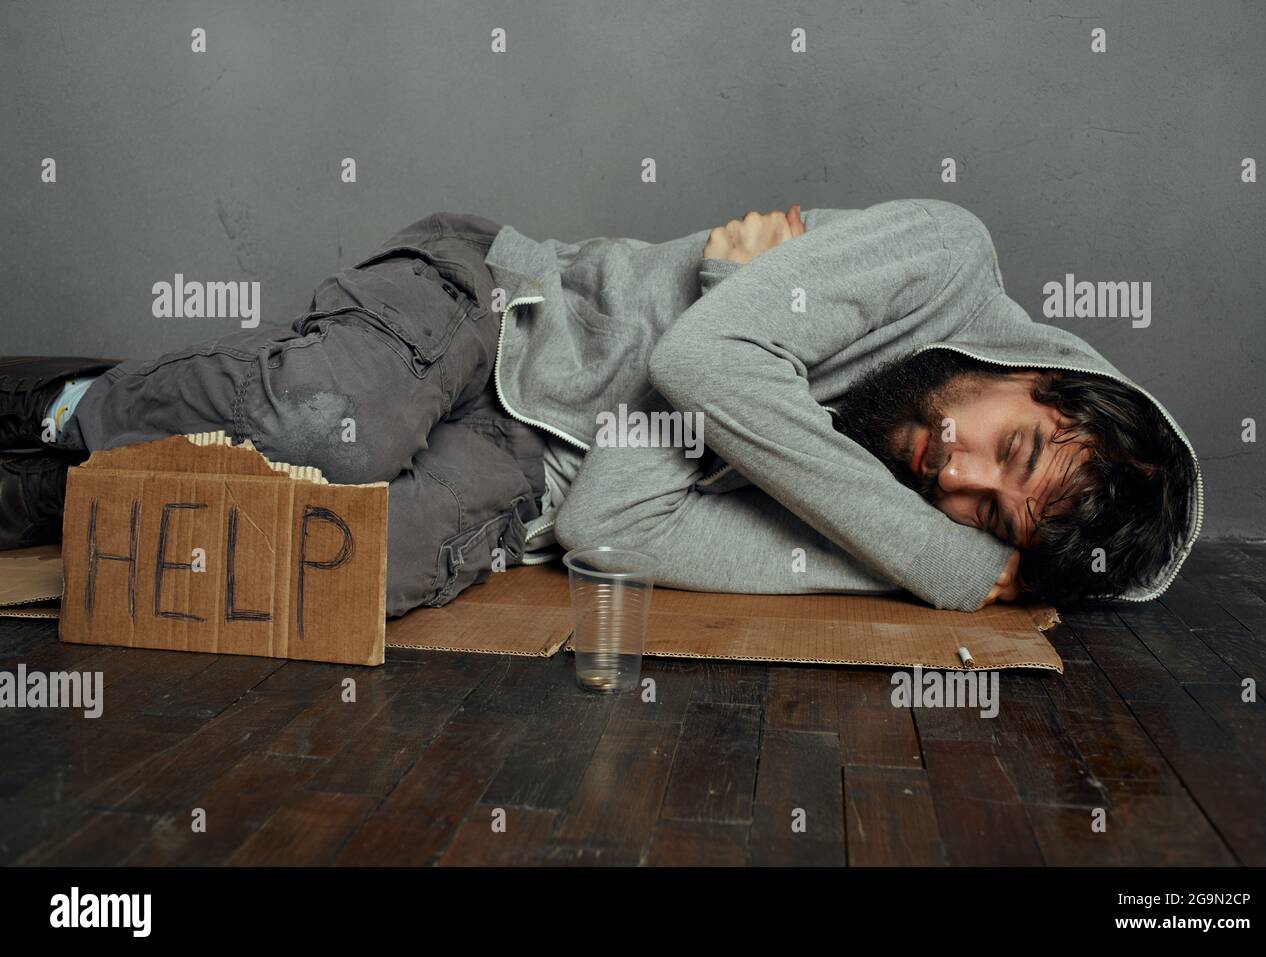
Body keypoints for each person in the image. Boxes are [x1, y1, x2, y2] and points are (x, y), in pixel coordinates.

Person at [0, 199, 1202, 615]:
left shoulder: (887, 512)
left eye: (984, 516)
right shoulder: (943, 255)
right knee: (338, 432)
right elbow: (700, 370)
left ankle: (59, 486)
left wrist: (908, 558)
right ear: (1045, 376)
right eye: (1016, 444)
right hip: (500, 307)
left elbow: (611, 530)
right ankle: (79, 405)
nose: (958, 470)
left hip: (526, 472)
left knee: (358, 561)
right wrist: (946, 567)